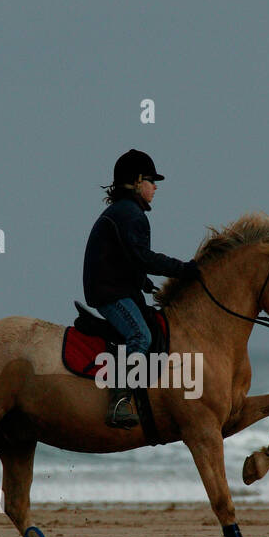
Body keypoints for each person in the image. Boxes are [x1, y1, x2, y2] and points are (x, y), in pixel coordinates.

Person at [83, 149, 201, 428]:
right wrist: (184, 269)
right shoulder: (130, 214)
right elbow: (143, 258)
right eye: (151, 180)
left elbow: (126, 259)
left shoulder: (125, 212)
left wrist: (146, 284)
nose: (155, 187)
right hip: (110, 293)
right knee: (140, 335)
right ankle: (121, 401)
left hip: (115, 287)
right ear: (137, 182)